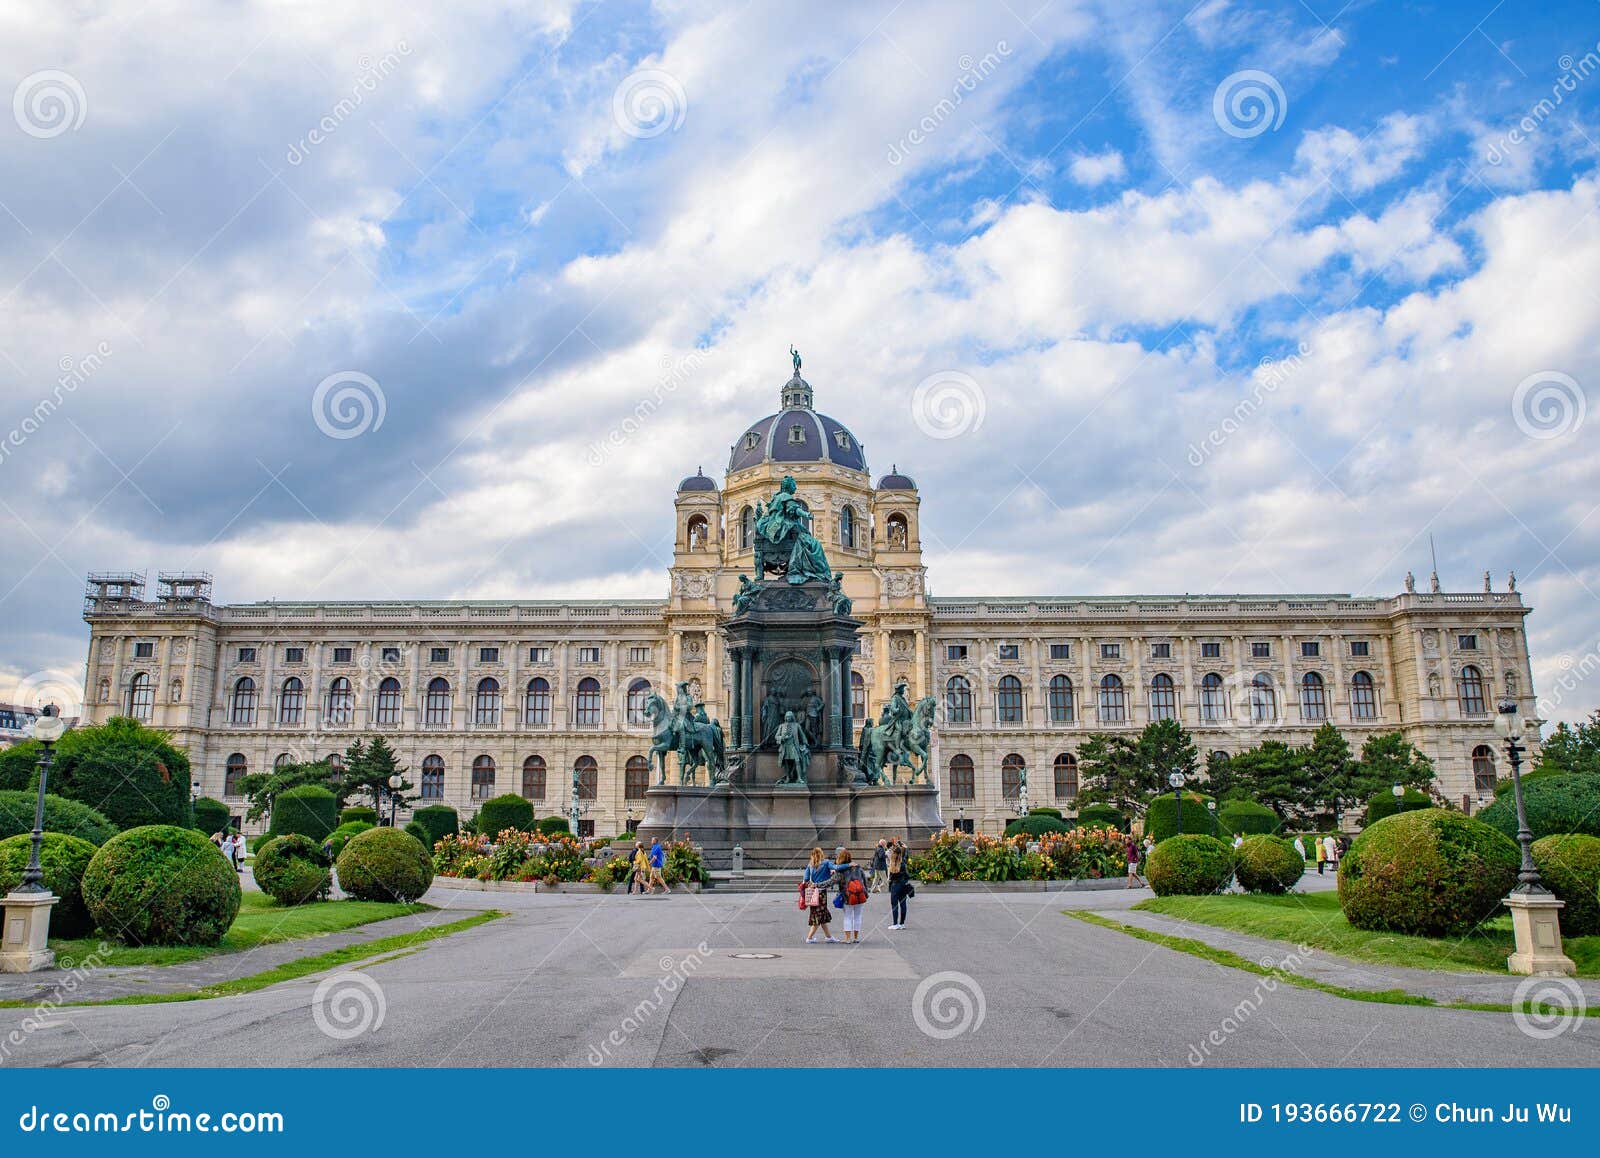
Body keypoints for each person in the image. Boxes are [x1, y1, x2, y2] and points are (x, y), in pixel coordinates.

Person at [825, 849, 869, 944]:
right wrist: (866, 893)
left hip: (848, 896)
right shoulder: (858, 867)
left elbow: (830, 882)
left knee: (847, 916)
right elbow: (865, 881)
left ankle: (848, 939)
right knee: (858, 916)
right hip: (860, 895)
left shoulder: (840, 871)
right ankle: (856, 938)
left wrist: (816, 885)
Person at [801, 847, 838, 943]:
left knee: (820, 915)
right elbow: (835, 868)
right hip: (821, 892)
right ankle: (809, 938)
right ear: (821, 854)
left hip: (812, 892)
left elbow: (805, 878)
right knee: (819, 915)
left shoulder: (810, 864)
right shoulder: (826, 863)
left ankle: (829, 937)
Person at [887, 844, 911, 929]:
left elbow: (891, 878)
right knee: (903, 904)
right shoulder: (903, 863)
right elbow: (908, 876)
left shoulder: (893, 864)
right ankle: (902, 923)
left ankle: (895, 924)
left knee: (894, 905)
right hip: (903, 885)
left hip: (895, 885)